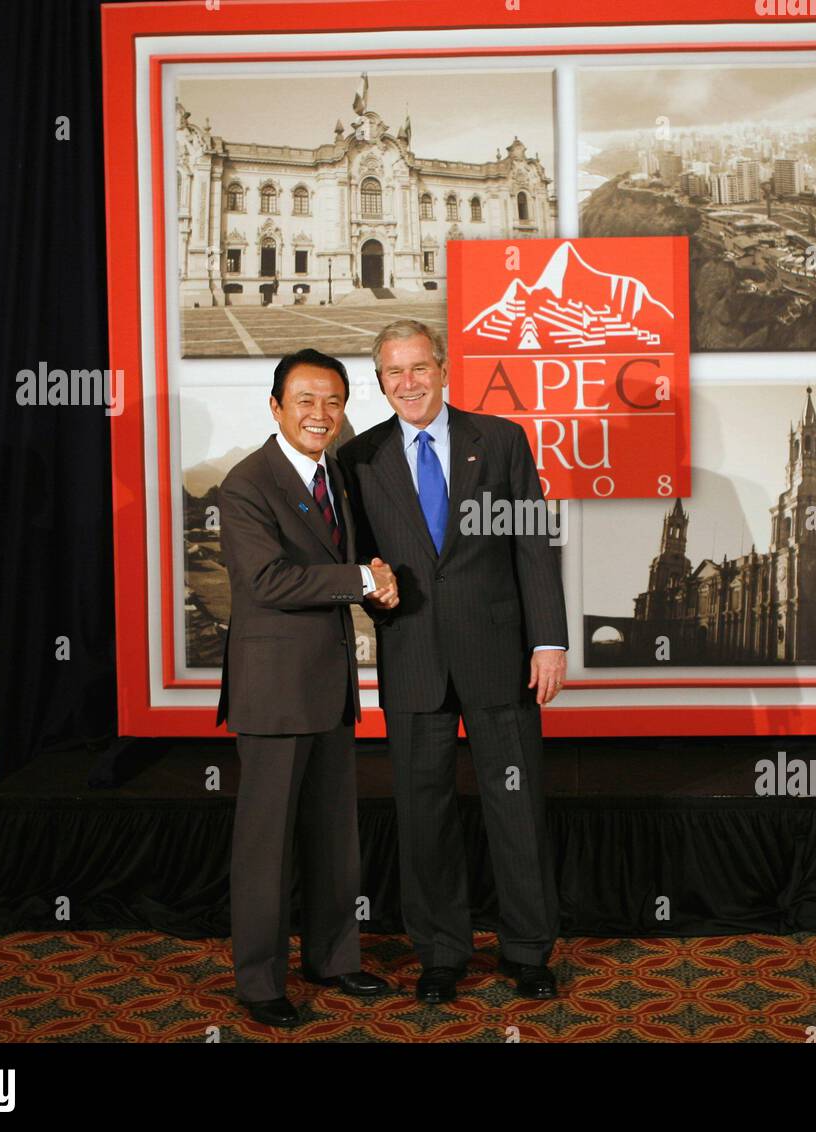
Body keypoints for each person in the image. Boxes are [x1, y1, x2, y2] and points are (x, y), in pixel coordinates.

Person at [339, 319, 567, 1004]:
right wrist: (374, 599)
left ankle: (528, 952)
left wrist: (548, 641)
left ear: (442, 368)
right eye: (392, 373)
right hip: (411, 658)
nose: (407, 383)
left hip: (500, 657)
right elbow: (360, 561)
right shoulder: (360, 458)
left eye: (418, 368)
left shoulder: (498, 440)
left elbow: (533, 544)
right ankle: (440, 953)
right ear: (380, 381)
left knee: (516, 808)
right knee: (423, 815)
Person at [216, 348, 399, 1027]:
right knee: (266, 847)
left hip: (328, 688)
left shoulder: (336, 477)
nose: (320, 414)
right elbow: (266, 582)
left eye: (332, 402)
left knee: (333, 836)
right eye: (305, 401)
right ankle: (260, 982)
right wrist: (361, 579)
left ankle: (335, 958)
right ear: (275, 407)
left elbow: (349, 567)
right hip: (273, 694)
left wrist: (378, 587)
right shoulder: (246, 484)